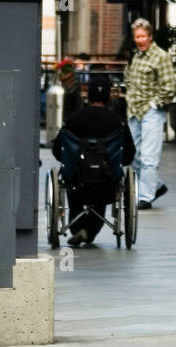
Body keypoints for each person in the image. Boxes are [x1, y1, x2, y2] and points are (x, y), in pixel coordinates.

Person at [52, 75, 136, 247]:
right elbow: (128, 155)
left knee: (74, 183)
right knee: (102, 185)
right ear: (108, 97)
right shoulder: (117, 122)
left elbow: (58, 151)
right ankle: (89, 231)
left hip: (76, 183)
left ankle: (78, 228)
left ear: (88, 96)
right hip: (106, 184)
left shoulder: (72, 120)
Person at [123, 18, 176, 210]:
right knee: (133, 155)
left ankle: (145, 197)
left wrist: (155, 104)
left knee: (148, 157)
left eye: (143, 36)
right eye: (137, 36)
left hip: (151, 112)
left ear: (150, 36)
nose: (140, 40)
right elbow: (129, 79)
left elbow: (170, 87)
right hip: (134, 111)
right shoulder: (136, 56)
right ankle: (157, 186)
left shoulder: (160, 56)